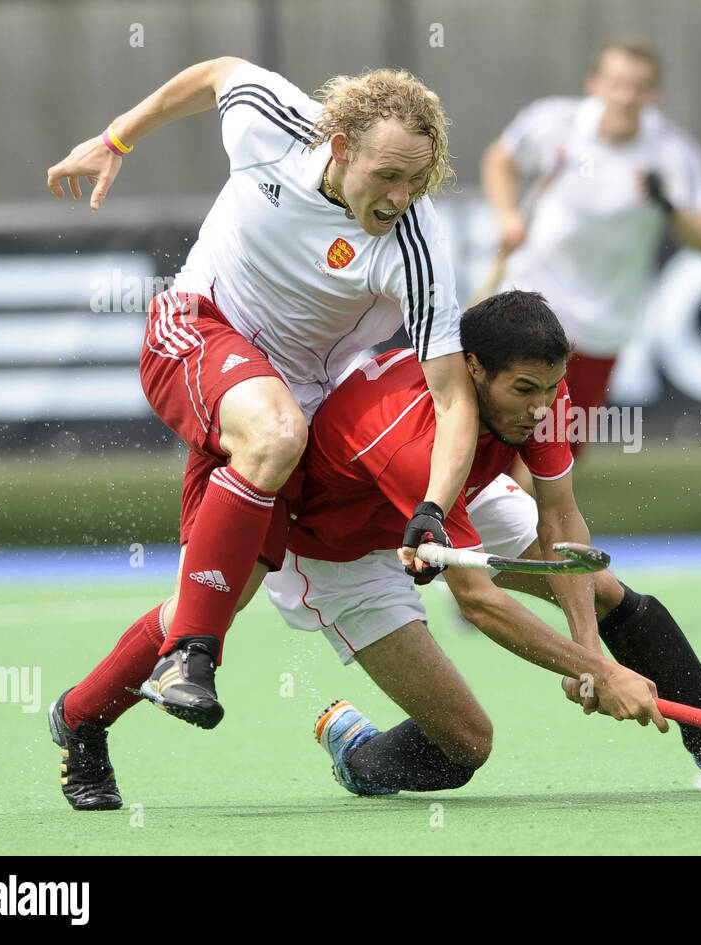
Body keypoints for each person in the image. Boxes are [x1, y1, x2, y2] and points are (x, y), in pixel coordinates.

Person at [44, 58, 477, 811]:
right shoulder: (272, 123)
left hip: (285, 405)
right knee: (275, 436)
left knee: (209, 596)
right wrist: (116, 138)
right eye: (386, 175)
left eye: (417, 180)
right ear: (338, 146)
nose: (399, 197)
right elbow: (213, 72)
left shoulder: (415, 243)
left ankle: (81, 718)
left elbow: (453, 395)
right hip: (196, 332)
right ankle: (195, 660)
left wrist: (433, 507)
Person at [262, 291, 701, 795]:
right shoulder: (412, 438)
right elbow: (477, 599)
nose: (539, 409)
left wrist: (589, 651)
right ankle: (359, 756)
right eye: (525, 391)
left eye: (550, 390)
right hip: (339, 552)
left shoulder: (542, 387)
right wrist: (600, 675)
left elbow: (561, 518)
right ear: (473, 368)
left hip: (464, 493)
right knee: (465, 746)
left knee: (603, 592)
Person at [480, 39, 701, 443]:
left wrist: (667, 204)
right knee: (514, 435)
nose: (625, 97)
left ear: (653, 94)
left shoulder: (675, 153)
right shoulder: (554, 121)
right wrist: (507, 215)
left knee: (559, 449)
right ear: (594, 83)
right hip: (534, 301)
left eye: (638, 86)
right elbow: (500, 158)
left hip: (602, 326)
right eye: (616, 83)